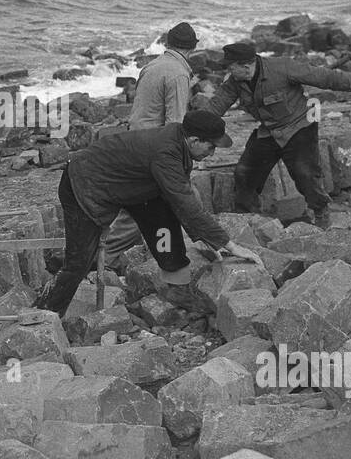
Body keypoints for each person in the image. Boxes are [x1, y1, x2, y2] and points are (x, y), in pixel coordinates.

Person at [36, 110, 260, 316]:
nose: (212, 153)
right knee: (79, 261)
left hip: (132, 184)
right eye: (211, 147)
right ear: (194, 141)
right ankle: (47, 314)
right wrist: (228, 244)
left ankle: (177, 288)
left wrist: (207, 239)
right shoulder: (166, 153)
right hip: (84, 185)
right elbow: (188, 205)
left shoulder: (179, 140)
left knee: (162, 222)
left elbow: (182, 203)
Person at [197, 42, 351, 229]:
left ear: (246, 66)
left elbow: (320, 76)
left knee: (305, 174)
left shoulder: (281, 67)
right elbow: (217, 104)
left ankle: (321, 213)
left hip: (299, 127)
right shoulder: (234, 82)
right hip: (269, 132)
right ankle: (248, 219)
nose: (230, 71)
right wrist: (193, 125)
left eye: (232, 67)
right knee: (244, 172)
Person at [102, 21, 200, 262]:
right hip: (152, 150)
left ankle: (107, 256)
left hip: (135, 141)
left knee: (142, 205)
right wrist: (179, 163)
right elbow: (175, 124)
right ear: (192, 48)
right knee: (144, 209)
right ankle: (99, 259)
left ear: (168, 43)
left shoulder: (152, 66)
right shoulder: (178, 73)